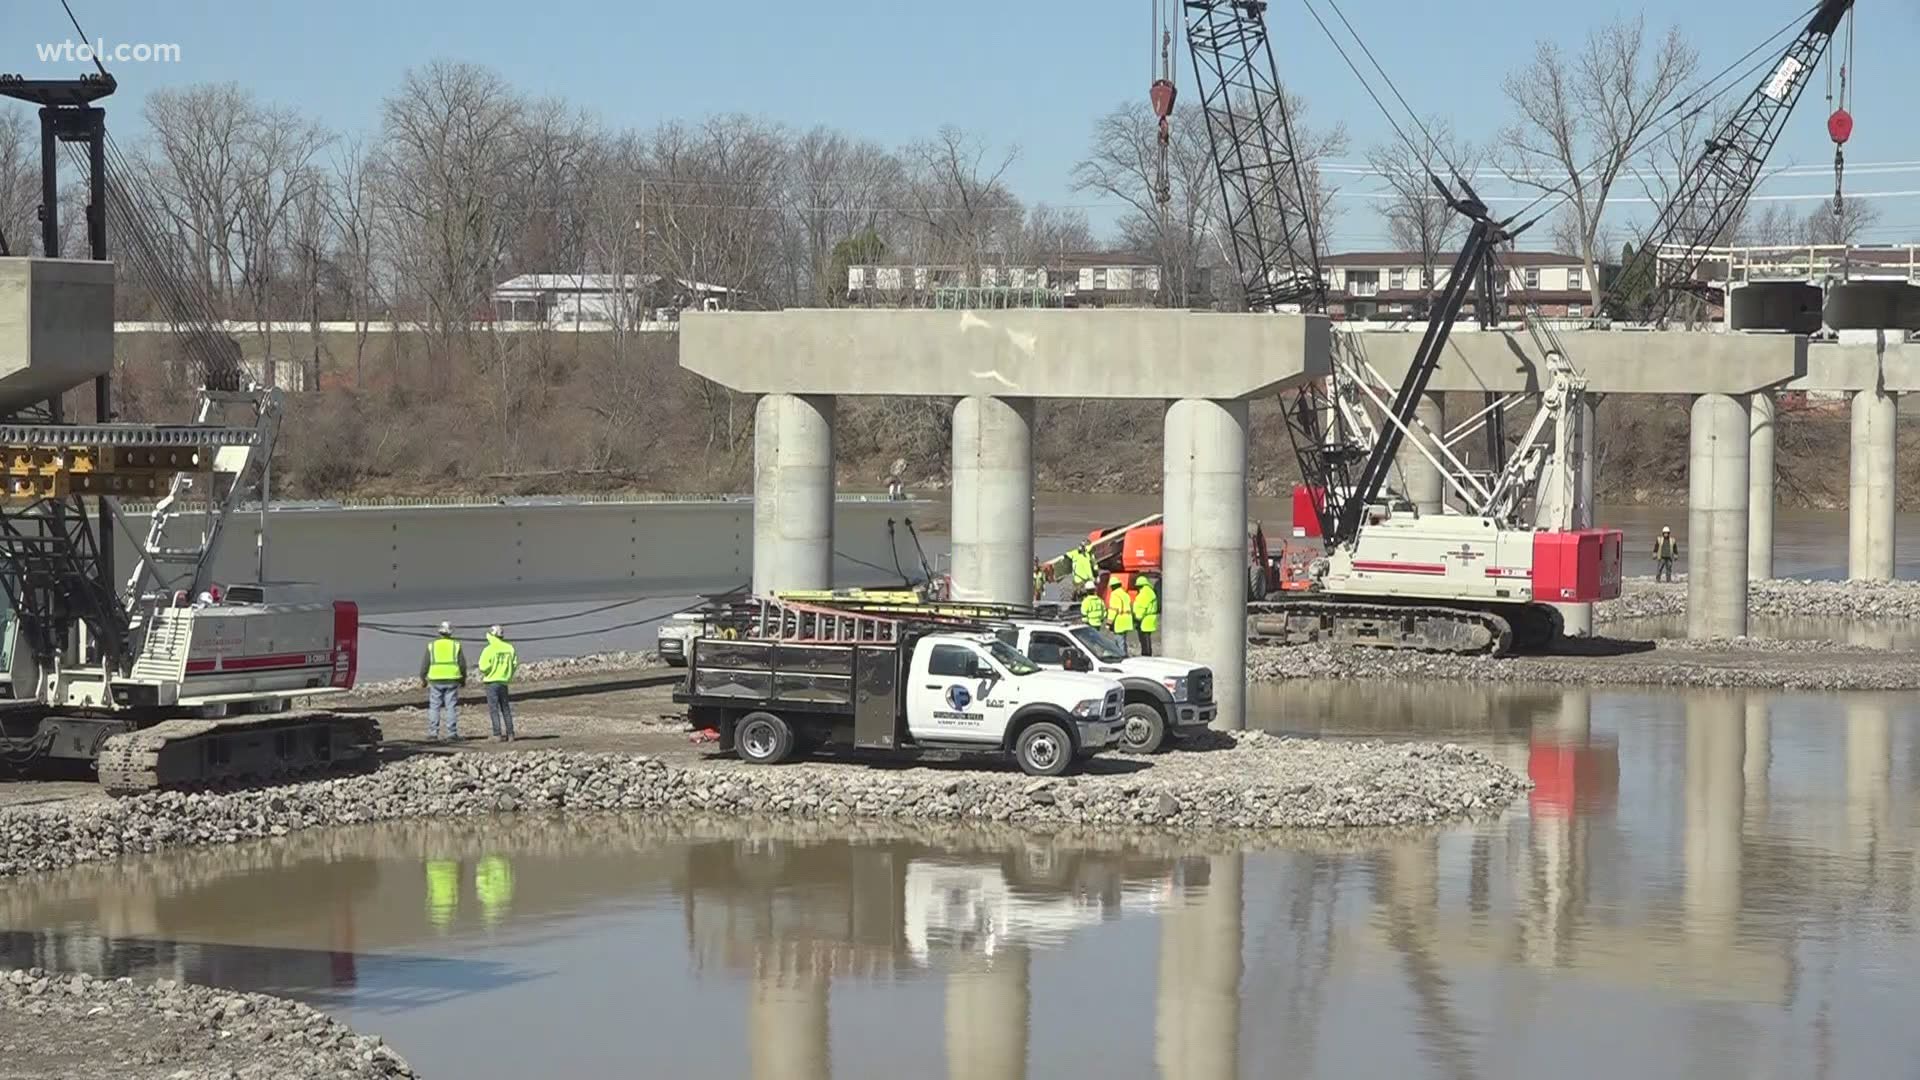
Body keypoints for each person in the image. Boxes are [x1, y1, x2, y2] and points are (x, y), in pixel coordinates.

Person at [420, 621, 468, 741]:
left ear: (439, 632)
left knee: (434, 707)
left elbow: (425, 664)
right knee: (450, 707)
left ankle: (433, 733)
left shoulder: (432, 645)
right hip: (452, 679)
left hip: (435, 679)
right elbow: (462, 664)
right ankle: (452, 734)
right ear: (450, 632)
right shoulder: (456, 645)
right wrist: (463, 679)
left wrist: (423, 678)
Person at [479, 624, 519, 741]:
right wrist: (508, 674)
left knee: (494, 709)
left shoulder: (489, 649)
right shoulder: (509, 648)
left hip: (491, 682)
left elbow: (483, 666)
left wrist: (491, 671)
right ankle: (510, 733)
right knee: (505, 708)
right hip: (503, 681)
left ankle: (497, 734)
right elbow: (514, 664)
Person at [1106, 577, 1135, 654]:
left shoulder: (1115, 595)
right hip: (1127, 621)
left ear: (1112, 586)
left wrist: (1109, 623)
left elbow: (1113, 610)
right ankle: (1124, 655)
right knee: (1123, 641)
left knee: (1119, 642)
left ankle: (1122, 658)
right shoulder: (1125, 594)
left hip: (1119, 622)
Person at [1134, 574, 1160, 657]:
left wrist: (1137, 618)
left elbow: (1141, 607)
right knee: (1146, 639)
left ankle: (1146, 655)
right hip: (1148, 619)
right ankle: (1147, 654)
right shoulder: (1149, 591)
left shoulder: (1145, 593)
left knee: (1145, 640)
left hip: (1145, 619)